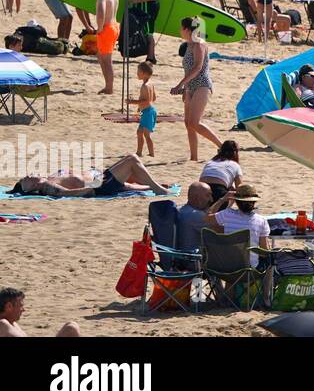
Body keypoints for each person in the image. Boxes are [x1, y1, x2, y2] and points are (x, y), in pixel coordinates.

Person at [11, 153, 171, 198]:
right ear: (30, 187)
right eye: (26, 178)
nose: (30, 174)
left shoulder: (50, 176)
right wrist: (88, 190)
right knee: (131, 160)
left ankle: (152, 185)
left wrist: (145, 187)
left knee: (129, 175)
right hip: (99, 185)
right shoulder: (46, 187)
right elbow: (64, 193)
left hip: (99, 178)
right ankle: (157, 189)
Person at [173, 17, 221, 161]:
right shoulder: (188, 45)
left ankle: (222, 146)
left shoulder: (200, 44)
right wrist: (185, 88)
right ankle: (194, 158)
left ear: (187, 29)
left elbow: (198, 67)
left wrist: (180, 84)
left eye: (181, 28)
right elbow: (187, 69)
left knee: (194, 122)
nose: (180, 31)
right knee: (188, 124)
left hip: (202, 85)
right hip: (190, 87)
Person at [207, 183, 270, 267]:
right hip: (248, 269)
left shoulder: (227, 214)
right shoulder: (261, 221)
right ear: (254, 201)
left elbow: (207, 218)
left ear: (236, 201)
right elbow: (264, 251)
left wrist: (222, 199)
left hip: (226, 266)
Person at [0, 288, 80, 338]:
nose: (23, 310)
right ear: (9, 306)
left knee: (71, 325)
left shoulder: (12, 323)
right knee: (71, 329)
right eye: (20, 306)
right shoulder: (2, 324)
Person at [93, 0, 118, 95]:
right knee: (102, 57)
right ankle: (108, 86)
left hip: (106, 28)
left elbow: (101, 13)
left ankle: (109, 87)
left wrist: (99, 27)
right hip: (114, 27)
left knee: (106, 60)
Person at [131, 62, 158, 157]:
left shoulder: (145, 86)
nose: (137, 73)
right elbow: (153, 98)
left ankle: (151, 153)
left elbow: (146, 100)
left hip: (148, 112)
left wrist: (132, 102)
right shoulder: (150, 84)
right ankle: (139, 152)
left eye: (139, 72)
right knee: (139, 132)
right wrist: (140, 107)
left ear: (145, 73)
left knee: (146, 134)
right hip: (148, 111)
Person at [176, 182, 213, 252]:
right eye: (208, 196)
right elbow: (221, 231)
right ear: (196, 198)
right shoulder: (196, 215)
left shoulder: (179, 210)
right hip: (193, 259)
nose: (211, 199)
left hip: (177, 256)